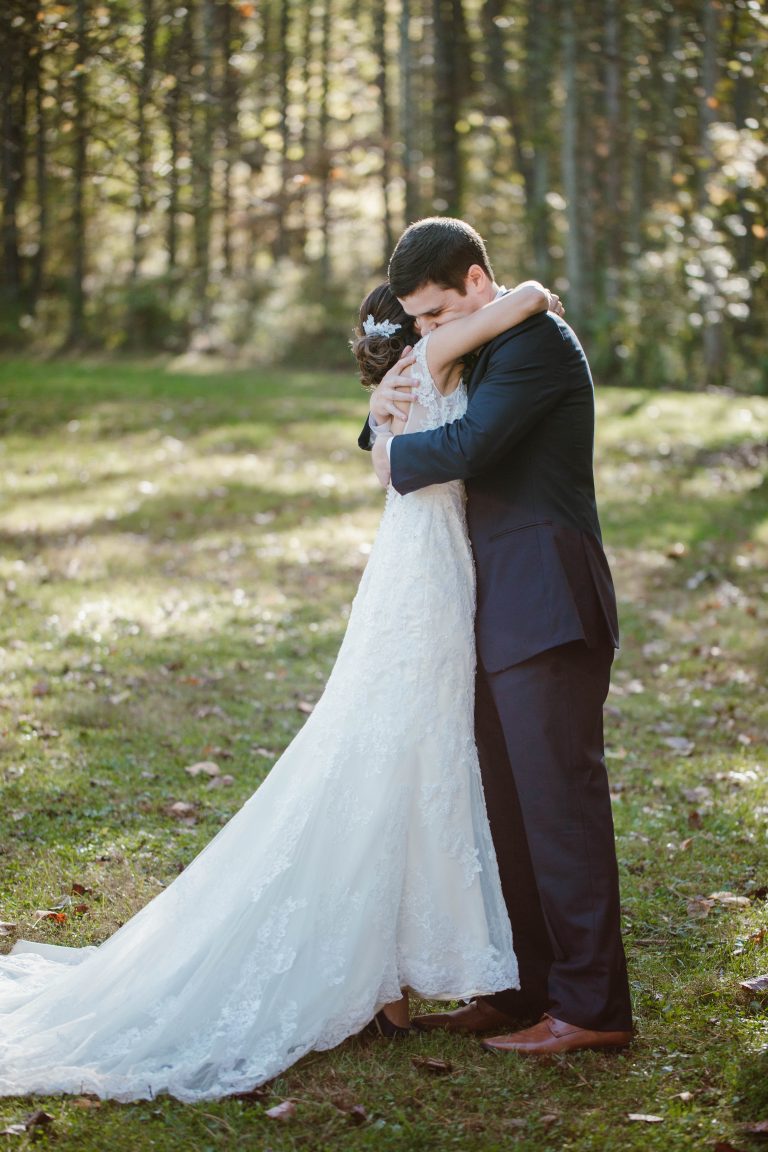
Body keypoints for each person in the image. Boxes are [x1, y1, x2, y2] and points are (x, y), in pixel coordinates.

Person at [0, 278, 555, 1103]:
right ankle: (382, 978)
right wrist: (523, 291)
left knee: (403, 753)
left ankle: (387, 983)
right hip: (428, 576)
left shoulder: (404, 376)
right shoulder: (433, 354)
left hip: (418, 563)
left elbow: (383, 458)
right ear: (409, 325)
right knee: (401, 749)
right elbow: (524, 304)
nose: (447, 321)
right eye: (427, 314)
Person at [362, 216, 633, 1055]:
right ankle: (524, 988)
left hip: (545, 597)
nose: (433, 331)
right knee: (504, 809)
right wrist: (381, 411)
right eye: (420, 322)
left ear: (478, 282)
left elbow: (473, 444)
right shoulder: (480, 339)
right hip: (478, 604)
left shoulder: (536, 343)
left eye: (441, 312)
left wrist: (389, 459)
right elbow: (405, 412)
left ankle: (592, 1009)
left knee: (560, 808)